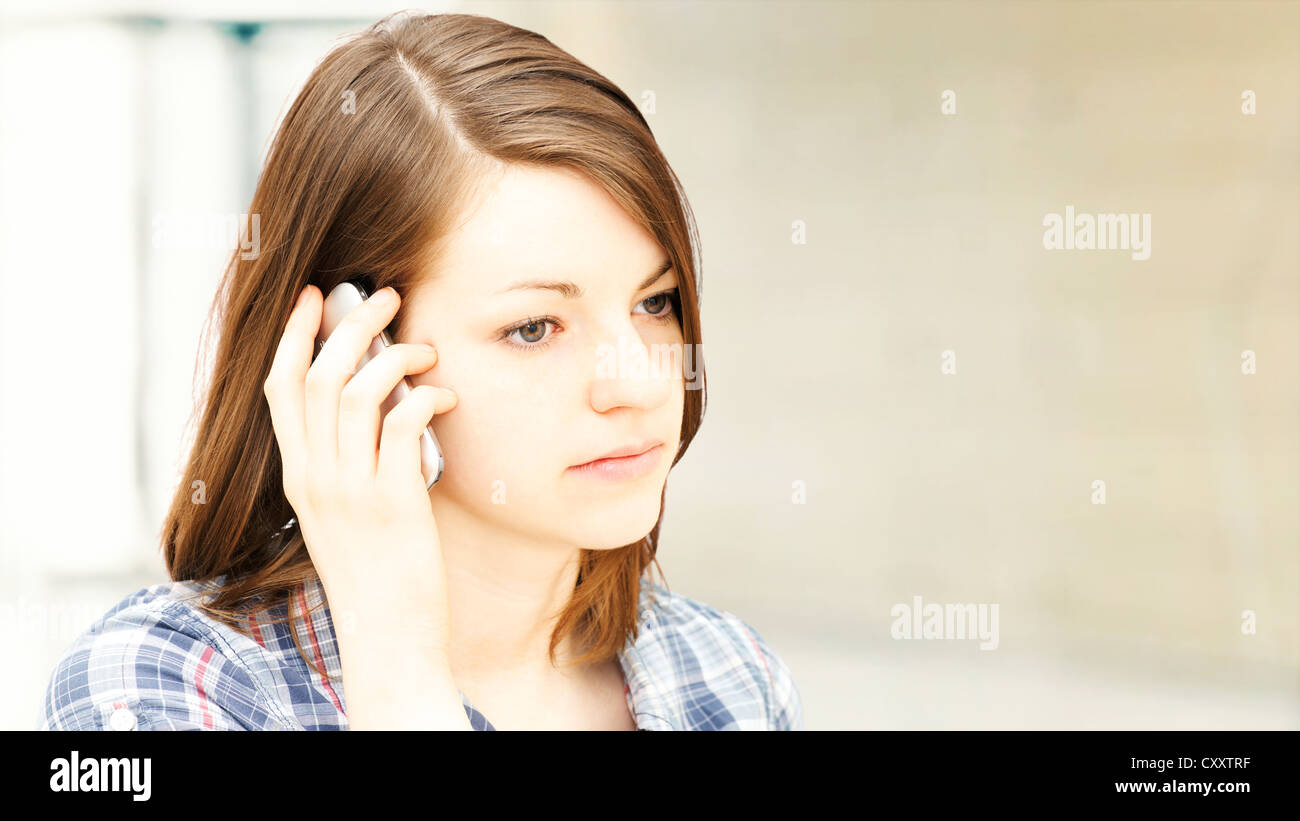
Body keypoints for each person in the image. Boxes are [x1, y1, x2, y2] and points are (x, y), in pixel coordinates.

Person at [40, 10, 802, 731]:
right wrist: (397, 656)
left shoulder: (725, 674)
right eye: (533, 327)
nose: (640, 381)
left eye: (655, 302)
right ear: (353, 351)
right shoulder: (165, 684)